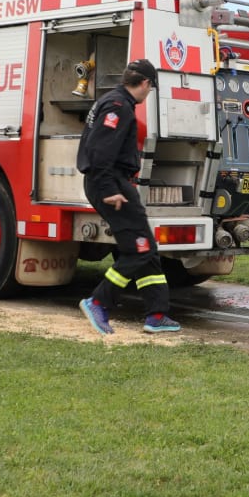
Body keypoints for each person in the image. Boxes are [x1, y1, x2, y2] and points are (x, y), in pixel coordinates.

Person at [77, 59, 181, 335]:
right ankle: (98, 302)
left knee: (148, 250)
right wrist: (110, 190)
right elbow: (99, 152)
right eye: (150, 88)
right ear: (145, 83)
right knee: (139, 248)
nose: (149, 94)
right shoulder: (118, 106)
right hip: (110, 184)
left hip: (114, 183)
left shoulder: (113, 101)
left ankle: (156, 315)